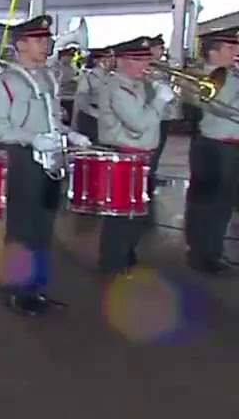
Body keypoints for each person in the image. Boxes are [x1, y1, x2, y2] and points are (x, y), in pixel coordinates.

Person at [0, 15, 91, 316]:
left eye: (46, 39)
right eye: (39, 40)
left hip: (51, 158)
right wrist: (32, 139)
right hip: (25, 159)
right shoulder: (9, 81)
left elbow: (52, 119)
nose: (46, 45)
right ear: (20, 44)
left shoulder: (46, 78)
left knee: (44, 229)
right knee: (22, 229)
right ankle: (17, 290)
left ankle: (36, 289)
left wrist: (70, 133)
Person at [95, 37, 175, 275]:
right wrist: (160, 100)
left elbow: (163, 115)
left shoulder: (138, 84)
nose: (147, 64)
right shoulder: (117, 87)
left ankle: (126, 256)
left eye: (147, 58)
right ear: (123, 61)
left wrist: (164, 97)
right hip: (123, 154)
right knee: (120, 216)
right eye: (139, 60)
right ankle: (112, 263)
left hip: (139, 156)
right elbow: (138, 123)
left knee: (135, 214)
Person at [183, 26, 239, 276]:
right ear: (213, 53)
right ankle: (201, 254)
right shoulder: (203, 77)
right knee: (207, 202)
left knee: (223, 203)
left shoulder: (231, 75)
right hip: (214, 145)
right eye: (230, 47)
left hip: (230, 144)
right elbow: (222, 108)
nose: (236, 51)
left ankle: (213, 251)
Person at [143, 34, 173, 224]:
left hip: (165, 116)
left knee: (158, 150)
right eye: (159, 47)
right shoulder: (145, 69)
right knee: (150, 152)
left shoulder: (164, 68)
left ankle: (150, 180)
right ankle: (145, 184)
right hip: (152, 116)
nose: (161, 51)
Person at [72, 48, 111, 140]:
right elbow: (81, 100)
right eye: (105, 58)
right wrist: (95, 113)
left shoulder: (113, 77)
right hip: (91, 118)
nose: (109, 61)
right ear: (96, 60)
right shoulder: (88, 77)